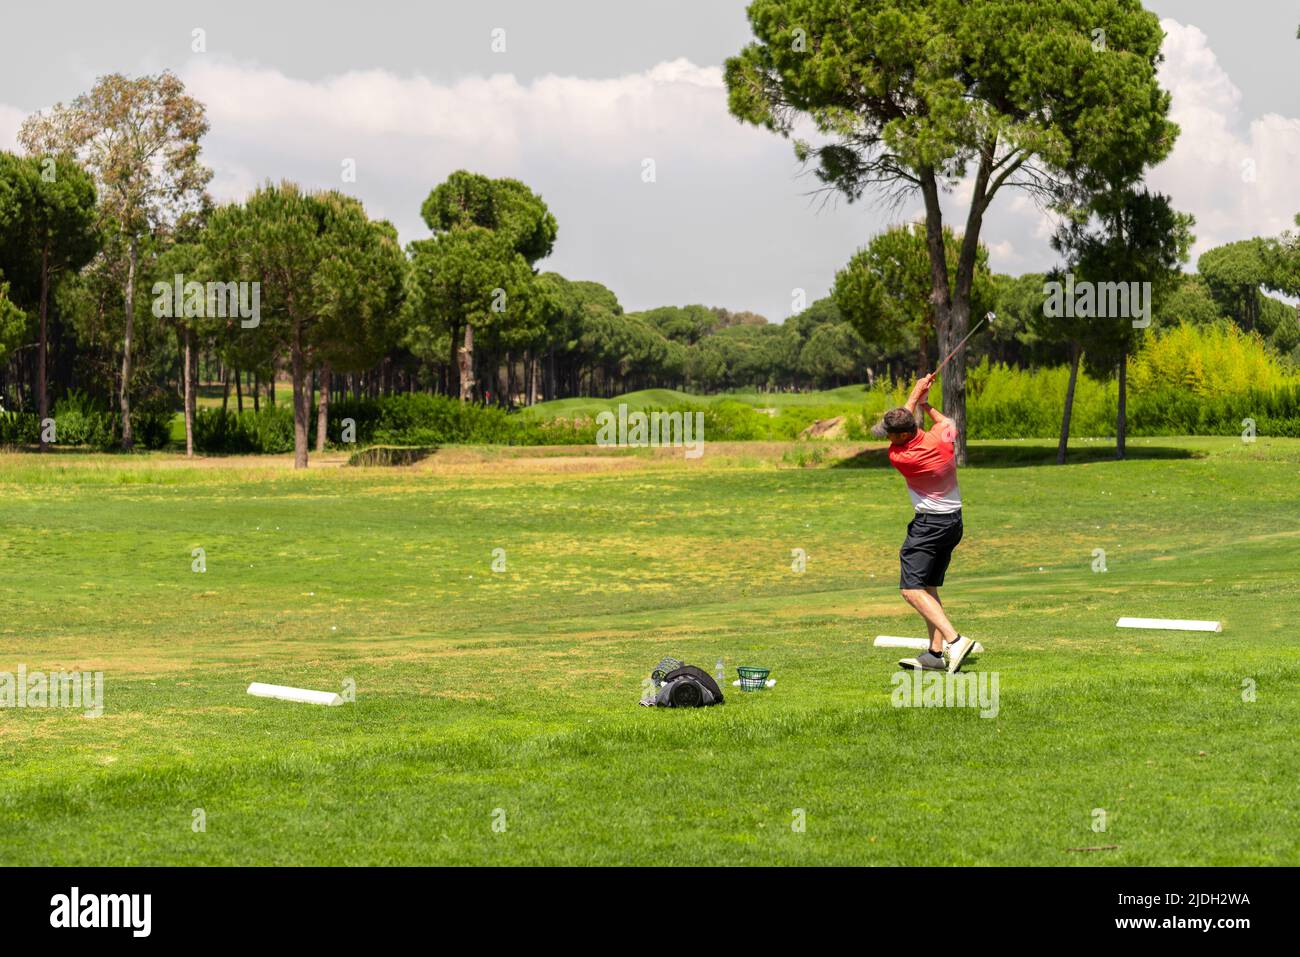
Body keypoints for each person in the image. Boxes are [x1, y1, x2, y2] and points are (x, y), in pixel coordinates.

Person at [881, 374, 978, 673]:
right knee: (928, 587)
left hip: (930, 526)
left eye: (889, 433)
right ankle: (935, 655)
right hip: (953, 523)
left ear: (899, 437)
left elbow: (906, 424)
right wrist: (926, 402)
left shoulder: (901, 456)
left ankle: (955, 640)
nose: (887, 437)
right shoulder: (944, 435)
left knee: (910, 589)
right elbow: (945, 420)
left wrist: (914, 396)